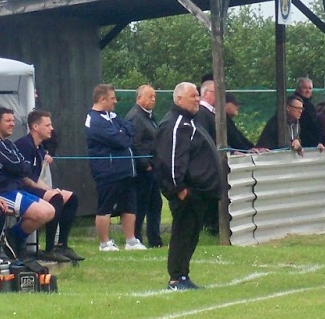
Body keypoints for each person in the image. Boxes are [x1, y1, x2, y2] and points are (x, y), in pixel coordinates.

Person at [0, 107, 76, 259]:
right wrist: (19, 167)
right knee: (44, 210)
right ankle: (18, 242)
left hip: (15, 188)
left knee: (50, 211)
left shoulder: (9, 144)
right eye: (8, 121)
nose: (12, 124)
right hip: (1, 191)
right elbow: (17, 165)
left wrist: (20, 167)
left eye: (13, 120)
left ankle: (14, 235)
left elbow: (24, 168)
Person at [156, 82, 222, 291]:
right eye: (193, 96)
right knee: (183, 234)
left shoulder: (190, 122)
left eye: (197, 95)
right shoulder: (176, 124)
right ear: (179, 99)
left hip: (199, 193)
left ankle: (182, 275)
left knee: (191, 235)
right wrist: (179, 189)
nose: (197, 99)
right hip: (188, 193)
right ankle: (176, 279)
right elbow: (171, 158)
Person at [16, 109, 80, 261]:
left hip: (31, 186)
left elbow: (35, 177)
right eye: (47, 125)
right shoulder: (24, 145)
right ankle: (49, 249)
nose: (51, 128)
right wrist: (48, 191)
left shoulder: (39, 148)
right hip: (20, 188)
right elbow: (24, 178)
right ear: (35, 127)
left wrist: (49, 189)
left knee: (71, 198)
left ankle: (62, 245)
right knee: (55, 198)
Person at [84, 84, 143, 250]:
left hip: (126, 170)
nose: (115, 101)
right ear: (102, 99)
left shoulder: (113, 115)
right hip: (107, 171)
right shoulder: (94, 120)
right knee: (106, 207)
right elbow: (120, 141)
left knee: (129, 205)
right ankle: (104, 243)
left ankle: (131, 240)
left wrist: (123, 133)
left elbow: (130, 128)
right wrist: (123, 134)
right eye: (112, 98)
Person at [124, 85, 163, 247]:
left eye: (154, 96)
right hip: (142, 171)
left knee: (155, 203)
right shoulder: (136, 117)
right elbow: (135, 142)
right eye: (149, 96)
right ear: (139, 98)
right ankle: (136, 237)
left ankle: (155, 239)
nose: (153, 99)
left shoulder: (149, 116)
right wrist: (145, 163)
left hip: (153, 167)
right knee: (141, 204)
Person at [257, 94, 322, 152]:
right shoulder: (277, 122)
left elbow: (296, 139)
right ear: (288, 108)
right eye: (298, 108)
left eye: (302, 109)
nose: (300, 111)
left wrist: (297, 141)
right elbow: (282, 145)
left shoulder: (297, 123)